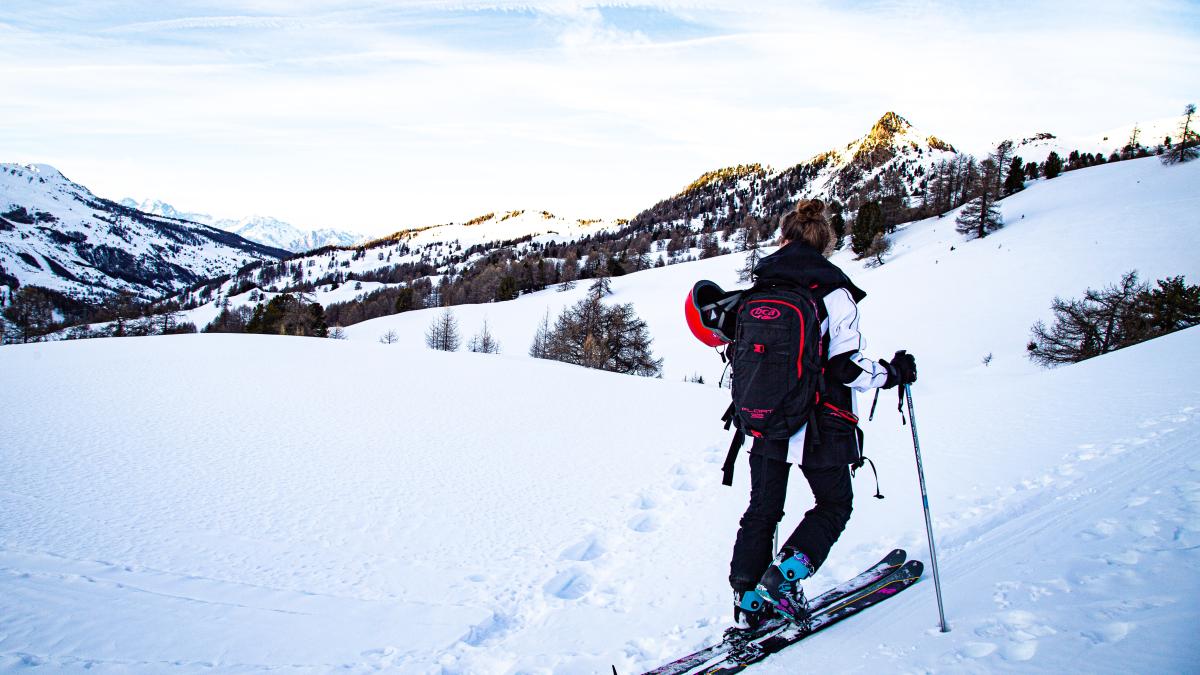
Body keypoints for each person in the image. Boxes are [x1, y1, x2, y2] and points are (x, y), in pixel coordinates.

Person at [729, 199, 917, 628]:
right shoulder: (835, 293)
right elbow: (845, 368)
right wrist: (891, 374)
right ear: (825, 244)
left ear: (785, 236)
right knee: (833, 503)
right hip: (821, 423)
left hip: (764, 420)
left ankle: (747, 602)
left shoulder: (759, 288)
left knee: (762, 511)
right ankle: (783, 577)